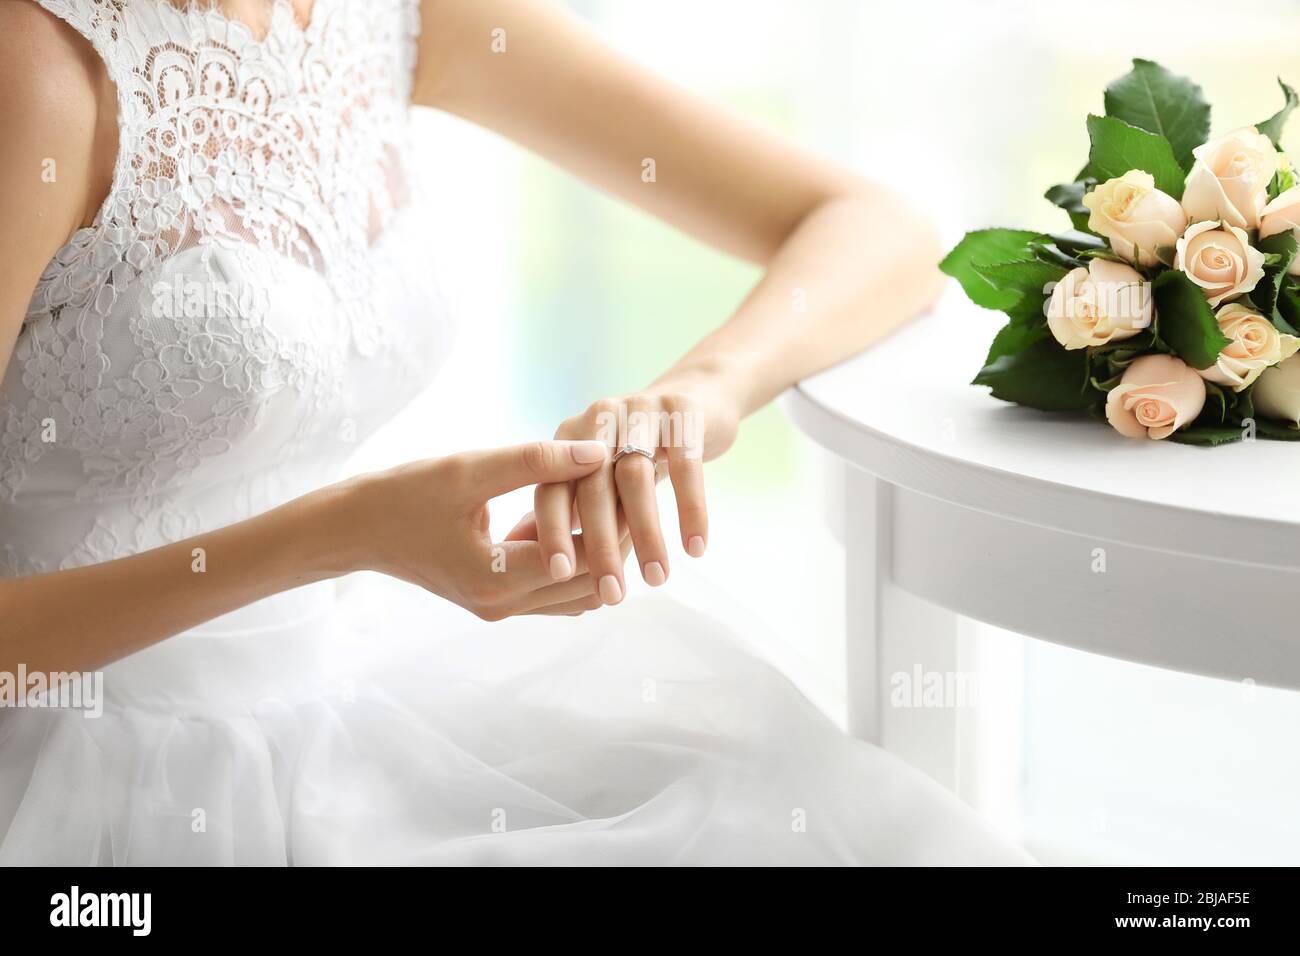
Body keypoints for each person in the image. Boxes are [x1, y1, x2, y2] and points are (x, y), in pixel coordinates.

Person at [0, 0, 1028, 865]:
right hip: (82, 768)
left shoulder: (397, 15)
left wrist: (701, 392)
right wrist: (344, 530)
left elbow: (874, 227)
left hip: (359, 688)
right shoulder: (36, 70)